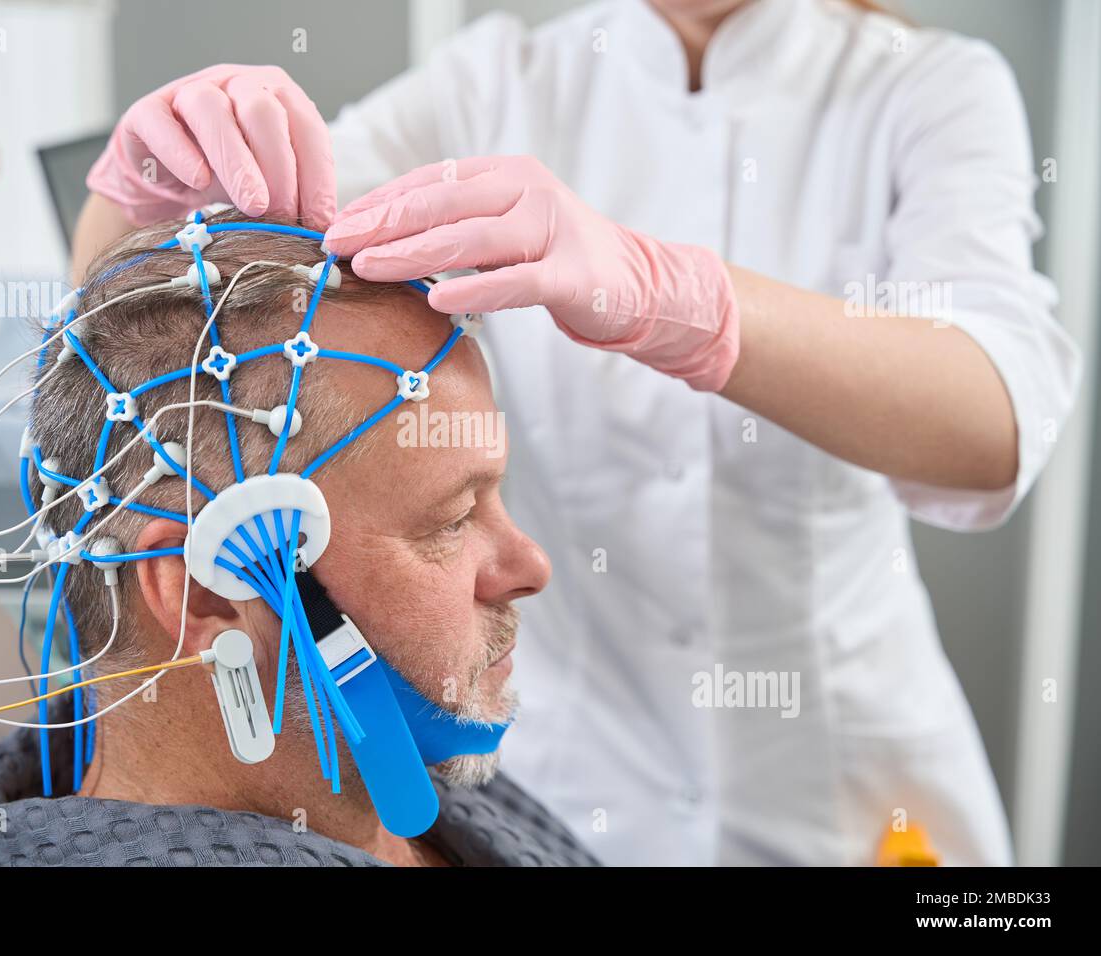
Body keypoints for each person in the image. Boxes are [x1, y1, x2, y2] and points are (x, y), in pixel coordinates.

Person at [71, 0, 1081, 865]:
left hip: (840, 774)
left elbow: (995, 419)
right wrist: (136, 196)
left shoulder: (926, 88)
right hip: (570, 780)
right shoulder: (494, 81)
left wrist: (678, 298)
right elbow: (147, 332)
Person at [0, 211, 599, 867]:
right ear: (208, 595)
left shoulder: (389, 768)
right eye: (453, 520)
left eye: (494, 498)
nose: (530, 565)